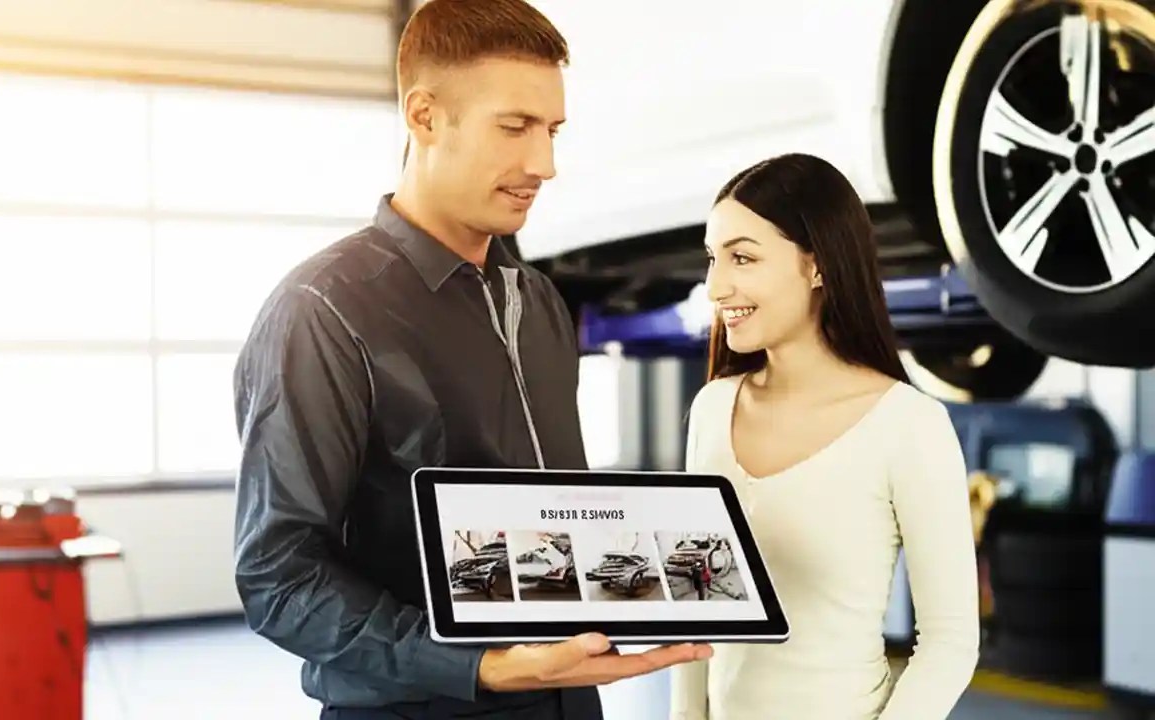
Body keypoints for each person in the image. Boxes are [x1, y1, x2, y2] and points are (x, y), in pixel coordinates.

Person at [231, 1, 710, 718]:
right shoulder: (322, 311)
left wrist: (661, 582)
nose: (544, 164)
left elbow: (553, 516)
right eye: (514, 127)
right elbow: (279, 577)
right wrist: (483, 666)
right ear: (424, 117)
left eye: (552, 130)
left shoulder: (538, 301)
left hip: (566, 699)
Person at [669, 153, 980, 719]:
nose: (715, 287)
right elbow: (696, 609)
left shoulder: (908, 424)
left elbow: (950, 643)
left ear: (817, 267)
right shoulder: (713, 408)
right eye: (713, 258)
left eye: (742, 258)